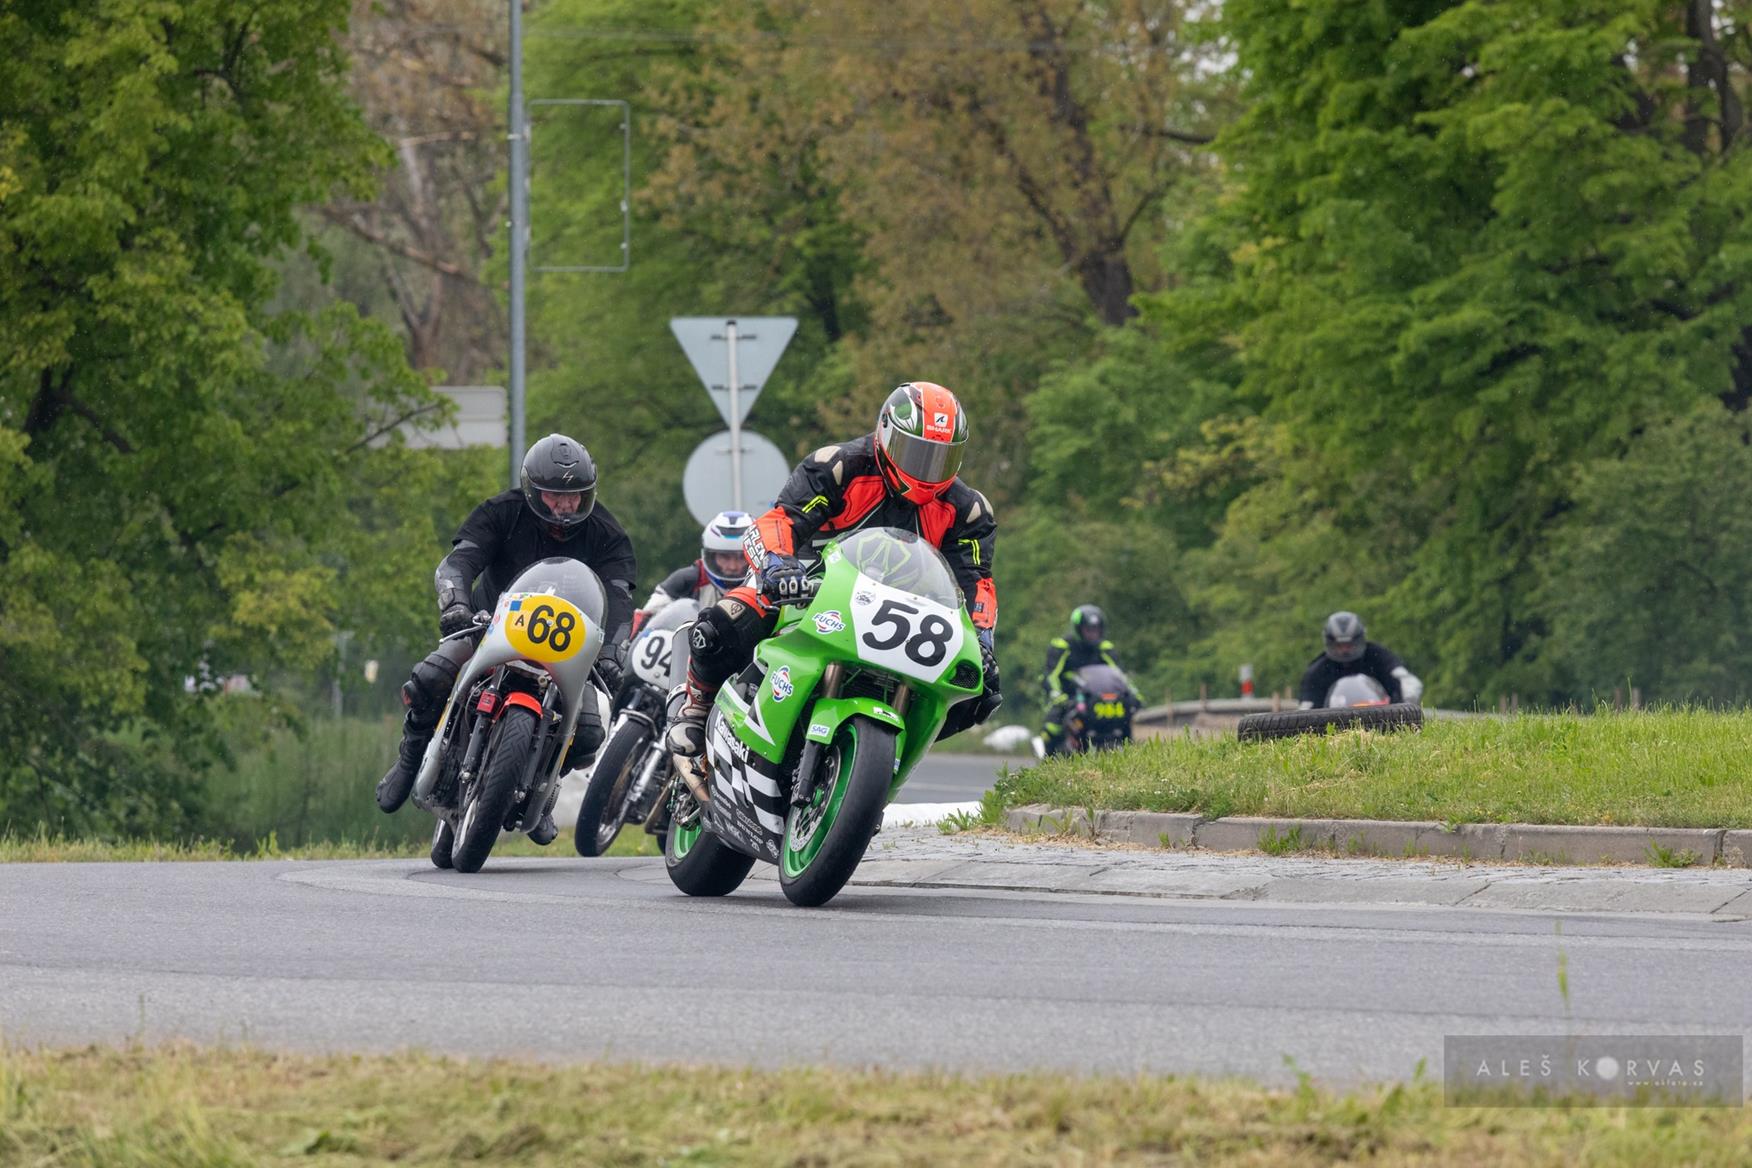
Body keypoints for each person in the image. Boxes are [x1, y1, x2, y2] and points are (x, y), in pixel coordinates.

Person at [665, 382, 1001, 768]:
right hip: (805, 581)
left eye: (940, 459)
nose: (927, 470)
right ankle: (698, 706)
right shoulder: (839, 465)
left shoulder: (969, 510)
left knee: (982, 690)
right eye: (917, 453)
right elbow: (779, 520)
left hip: (904, 613)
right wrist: (777, 565)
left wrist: (982, 638)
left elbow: (978, 581)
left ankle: (886, 758)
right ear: (887, 434)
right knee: (719, 624)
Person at [373, 434, 639, 843]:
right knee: (430, 678)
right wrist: (455, 605)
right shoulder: (501, 511)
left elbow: (620, 599)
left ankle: (543, 789)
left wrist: (612, 652)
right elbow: (459, 561)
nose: (566, 505)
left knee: (587, 733)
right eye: (555, 496)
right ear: (534, 490)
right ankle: (409, 758)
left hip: (565, 648)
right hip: (490, 627)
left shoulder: (607, 533)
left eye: (575, 496)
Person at [631, 510, 753, 634]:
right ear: (711, 556)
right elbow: (645, 619)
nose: (732, 566)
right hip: (691, 650)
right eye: (724, 557)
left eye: (741, 557)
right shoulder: (688, 579)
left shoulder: (766, 581)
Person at [1039, 604, 1131, 755]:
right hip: (1070, 697)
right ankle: (1048, 758)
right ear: (1078, 629)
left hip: (1098, 699)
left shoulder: (1105, 648)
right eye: (1088, 630)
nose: (1092, 634)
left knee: (1128, 716)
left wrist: (1133, 695)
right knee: (1052, 727)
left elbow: (1120, 676)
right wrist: (1056, 695)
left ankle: (1129, 755)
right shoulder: (1063, 646)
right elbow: (1051, 675)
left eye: (1096, 630)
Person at [1298, 611, 1423, 709]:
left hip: (1383, 718)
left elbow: (1407, 681)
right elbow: (1306, 708)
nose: (1345, 651)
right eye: (1340, 646)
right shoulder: (1317, 671)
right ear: (1330, 643)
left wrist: (1406, 706)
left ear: (1359, 640)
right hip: (1332, 727)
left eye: (1349, 645)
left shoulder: (1377, 655)